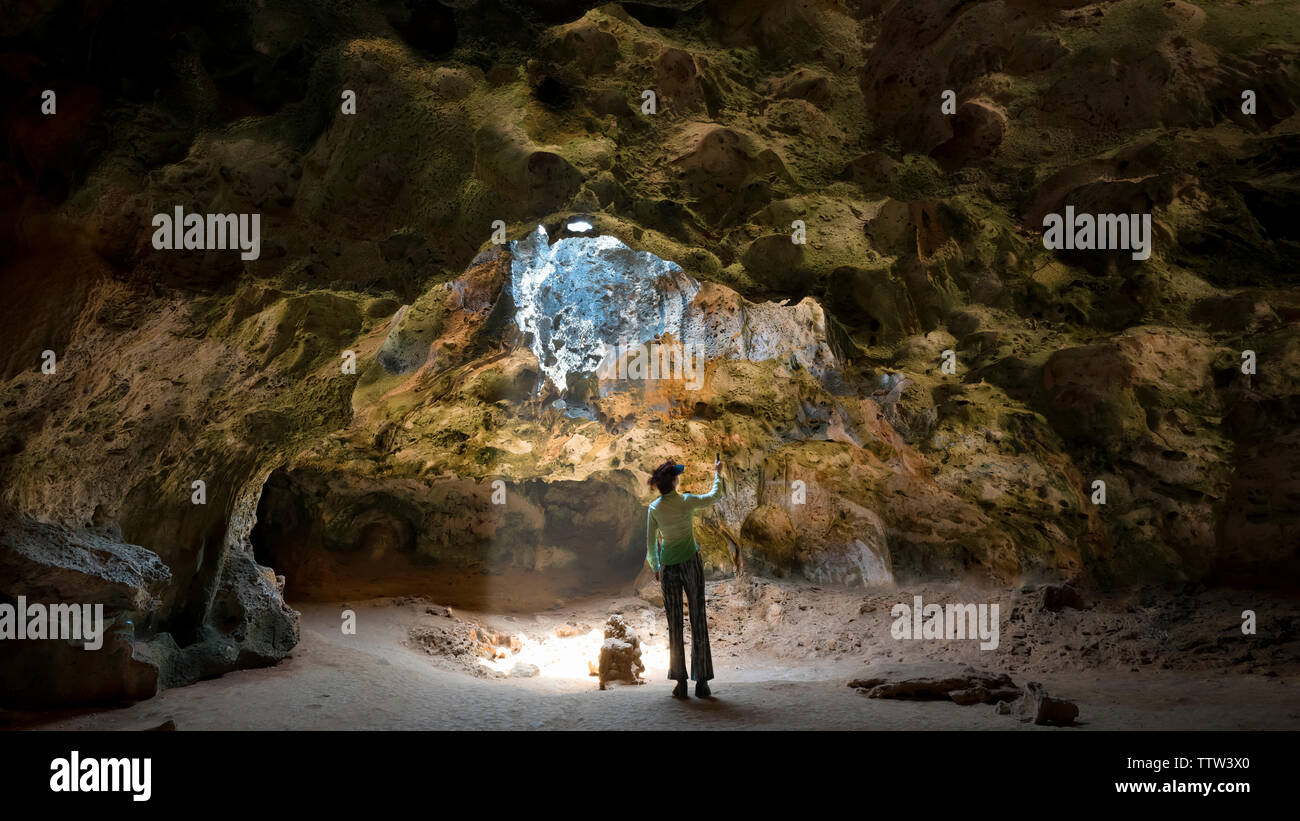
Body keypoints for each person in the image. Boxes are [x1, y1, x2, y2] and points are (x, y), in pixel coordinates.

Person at [645, 456, 724, 699]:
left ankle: (680, 683)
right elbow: (714, 496)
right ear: (674, 482)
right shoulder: (687, 501)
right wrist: (717, 473)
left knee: (675, 623)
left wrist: (656, 566)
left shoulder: (654, 509)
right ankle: (702, 682)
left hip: (669, 567)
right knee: (698, 619)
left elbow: (651, 544)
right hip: (691, 563)